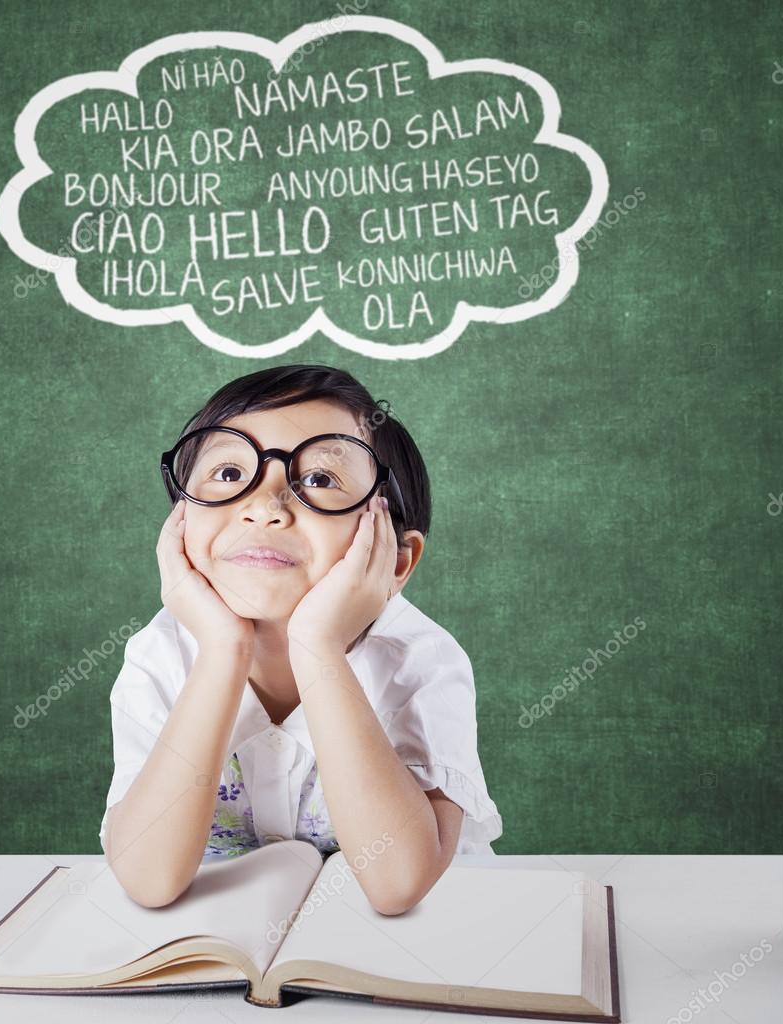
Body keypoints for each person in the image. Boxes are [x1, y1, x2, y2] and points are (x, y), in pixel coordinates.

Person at [101, 364, 501, 915]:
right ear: (179, 520)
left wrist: (317, 645)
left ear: (397, 559)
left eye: (318, 480)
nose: (264, 507)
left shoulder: (421, 663)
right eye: (227, 472)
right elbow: (148, 879)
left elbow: (398, 886)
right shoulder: (160, 656)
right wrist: (222, 651)